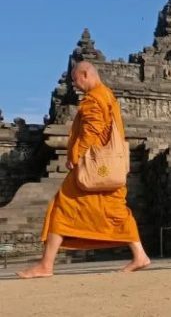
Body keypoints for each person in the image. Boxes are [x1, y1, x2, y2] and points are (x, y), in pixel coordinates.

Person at [17, 62, 150, 278]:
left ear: (86, 74)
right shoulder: (107, 95)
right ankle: (140, 255)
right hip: (108, 168)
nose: (74, 84)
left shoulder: (95, 98)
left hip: (93, 166)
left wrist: (76, 155)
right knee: (116, 210)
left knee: (62, 206)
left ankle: (46, 265)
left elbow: (92, 130)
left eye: (75, 79)